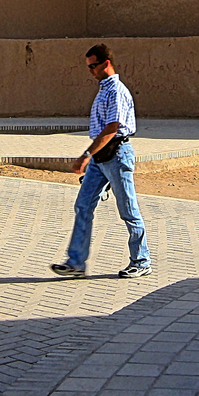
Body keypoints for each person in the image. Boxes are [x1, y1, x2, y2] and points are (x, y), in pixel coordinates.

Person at [52, 44, 152, 279]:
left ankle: (141, 260)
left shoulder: (115, 90)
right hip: (101, 157)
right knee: (83, 205)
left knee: (128, 210)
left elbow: (112, 128)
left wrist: (85, 156)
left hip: (116, 154)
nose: (90, 71)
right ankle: (76, 262)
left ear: (106, 63)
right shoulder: (103, 89)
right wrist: (92, 157)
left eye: (93, 66)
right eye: (88, 66)